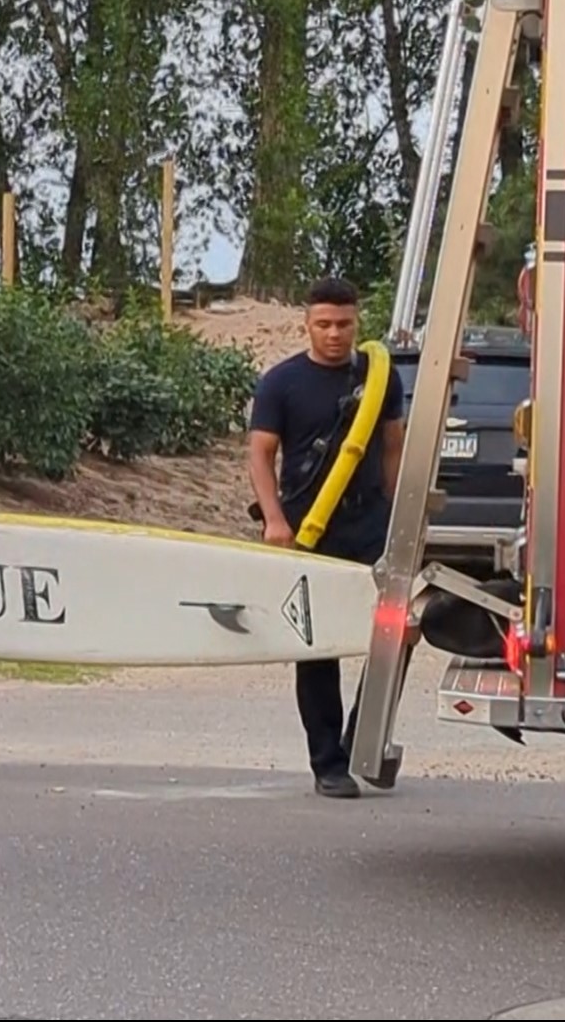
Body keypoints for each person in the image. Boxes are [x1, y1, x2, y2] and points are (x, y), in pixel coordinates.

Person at [246, 276, 406, 799]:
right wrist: (275, 521)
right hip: (307, 524)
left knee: (398, 629)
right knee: (316, 647)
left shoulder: (380, 380)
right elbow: (261, 456)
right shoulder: (281, 383)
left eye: (344, 324)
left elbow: (392, 449)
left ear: (358, 323)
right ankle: (328, 764)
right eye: (324, 325)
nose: (334, 334)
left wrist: (396, 514)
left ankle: (365, 732)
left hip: (369, 523)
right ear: (307, 324)